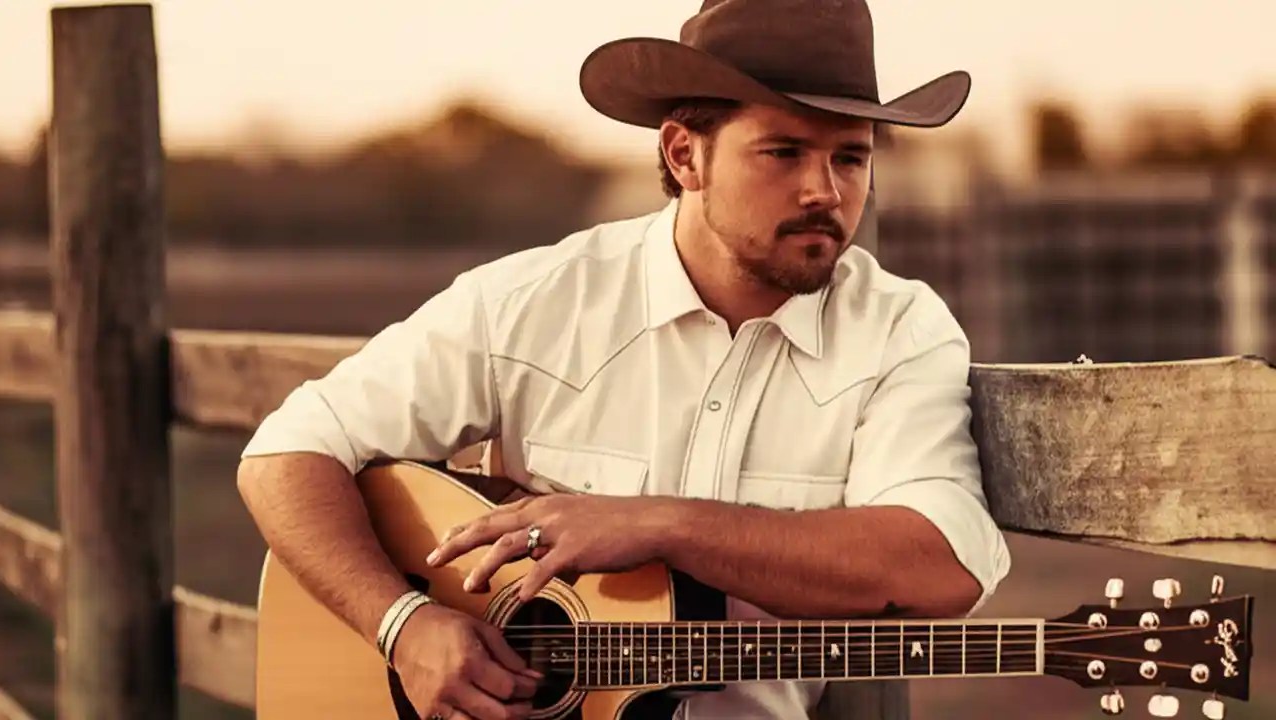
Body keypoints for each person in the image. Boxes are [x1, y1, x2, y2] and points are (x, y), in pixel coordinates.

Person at [236, 0, 1011, 718]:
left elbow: (942, 566)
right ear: (684, 154)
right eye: (783, 151)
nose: (825, 191)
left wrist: (657, 524)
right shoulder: (533, 301)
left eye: (850, 158)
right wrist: (402, 624)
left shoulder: (900, 331)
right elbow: (284, 456)